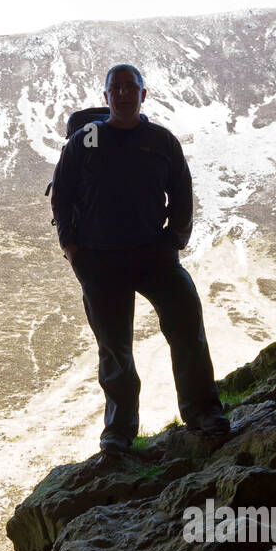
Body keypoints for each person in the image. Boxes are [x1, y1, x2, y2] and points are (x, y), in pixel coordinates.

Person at [51, 63, 230, 455]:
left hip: (154, 255)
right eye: (115, 87)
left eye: (130, 86)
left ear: (143, 95)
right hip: (99, 259)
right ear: (106, 97)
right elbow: (61, 193)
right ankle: (118, 432)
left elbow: (182, 193)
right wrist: (71, 246)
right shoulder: (90, 138)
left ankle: (202, 412)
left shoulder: (160, 141)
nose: (123, 93)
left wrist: (174, 241)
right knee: (114, 348)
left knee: (186, 326)